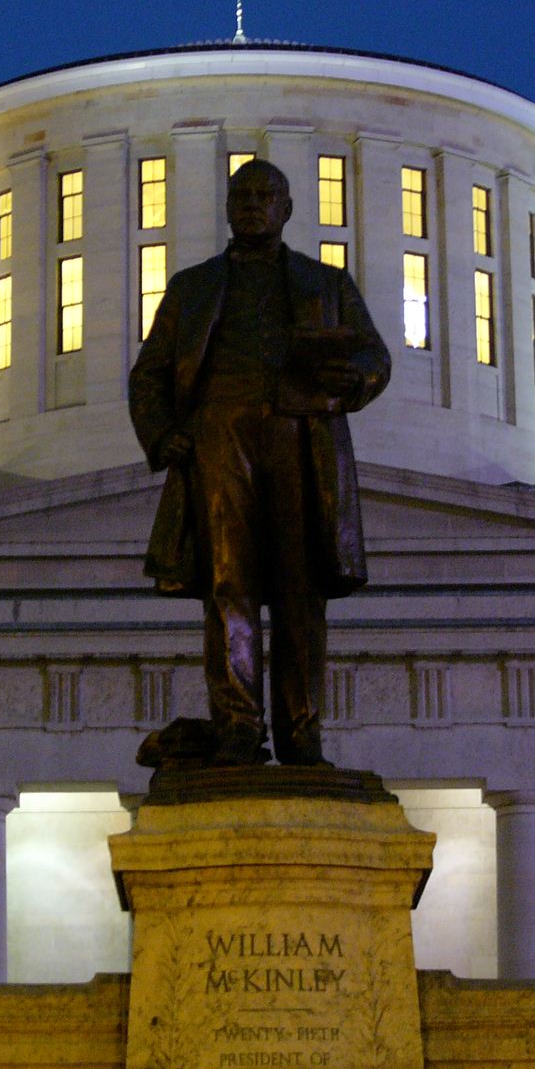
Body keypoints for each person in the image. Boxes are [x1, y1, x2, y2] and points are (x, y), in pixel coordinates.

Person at [128, 159, 390, 767]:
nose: (252, 204)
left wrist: (354, 377)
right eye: (242, 195)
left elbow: (374, 355)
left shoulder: (326, 285)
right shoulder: (193, 289)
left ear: (288, 208)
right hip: (220, 439)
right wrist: (162, 433)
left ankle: (301, 730)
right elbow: (150, 374)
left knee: (300, 591)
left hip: (300, 438)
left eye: (265, 195)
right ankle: (239, 726)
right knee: (229, 587)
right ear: (227, 206)